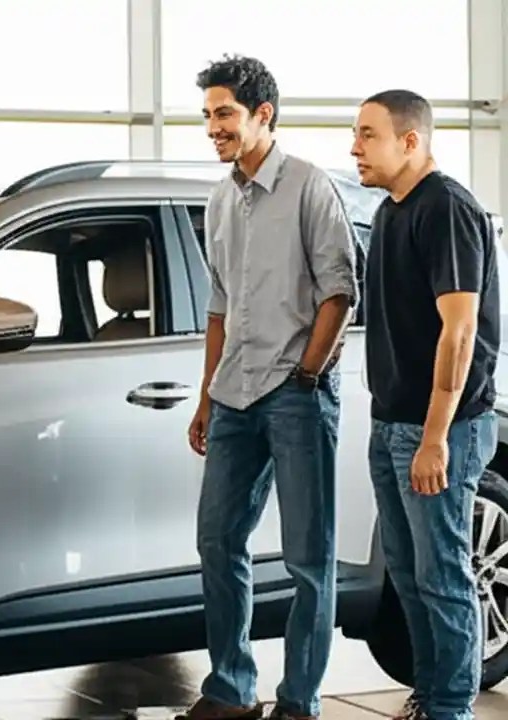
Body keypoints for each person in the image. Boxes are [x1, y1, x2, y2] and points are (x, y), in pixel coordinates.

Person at [180, 55, 359, 720]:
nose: (212, 128)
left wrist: (308, 376)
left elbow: (340, 293)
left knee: (309, 558)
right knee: (217, 540)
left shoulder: (311, 187)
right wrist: (206, 397)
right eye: (207, 115)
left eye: (223, 114)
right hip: (234, 398)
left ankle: (299, 702)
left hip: (295, 395)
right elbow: (220, 307)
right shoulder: (219, 198)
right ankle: (230, 688)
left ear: (263, 114)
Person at [352, 89, 500, 720]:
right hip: (391, 424)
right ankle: (433, 695)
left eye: (367, 135)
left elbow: (459, 331)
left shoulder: (447, 209)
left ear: (410, 141)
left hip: (442, 429)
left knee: (443, 578)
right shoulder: (390, 212)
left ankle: (450, 708)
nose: (354, 147)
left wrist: (436, 434)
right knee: (410, 581)